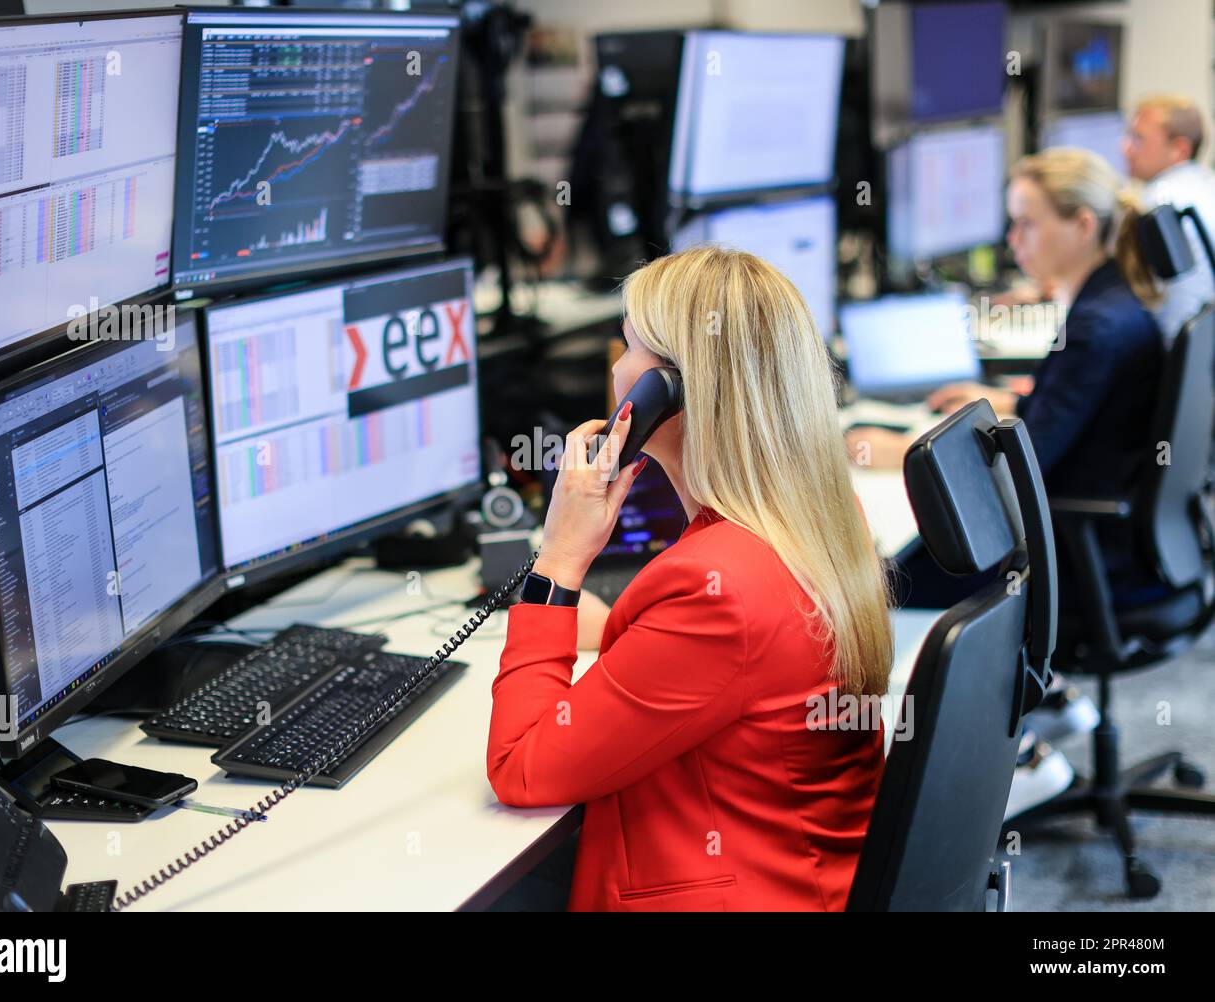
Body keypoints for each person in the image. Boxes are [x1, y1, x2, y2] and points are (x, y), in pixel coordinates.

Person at [487, 246, 893, 911]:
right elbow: (721, 669)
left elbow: (520, 769)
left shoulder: (719, 589)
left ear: (667, 393)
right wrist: (617, 627)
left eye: (626, 347)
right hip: (814, 878)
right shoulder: (817, 517)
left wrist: (558, 561)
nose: (615, 368)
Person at [847, 148, 1167, 610]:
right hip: (1099, 541)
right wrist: (1005, 400)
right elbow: (1077, 414)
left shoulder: (1096, 328)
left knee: (881, 581)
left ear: (1081, 226)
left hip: (1069, 560)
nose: (1013, 240)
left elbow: (1024, 466)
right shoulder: (1113, 301)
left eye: (1027, 224)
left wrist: (900, 452)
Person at [1124, 94, 1215, 342]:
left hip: (1171, 349)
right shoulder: (1206, 184)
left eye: (1138, 139)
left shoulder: (1158, 201)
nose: (1126, 148)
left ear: (1180, 149)